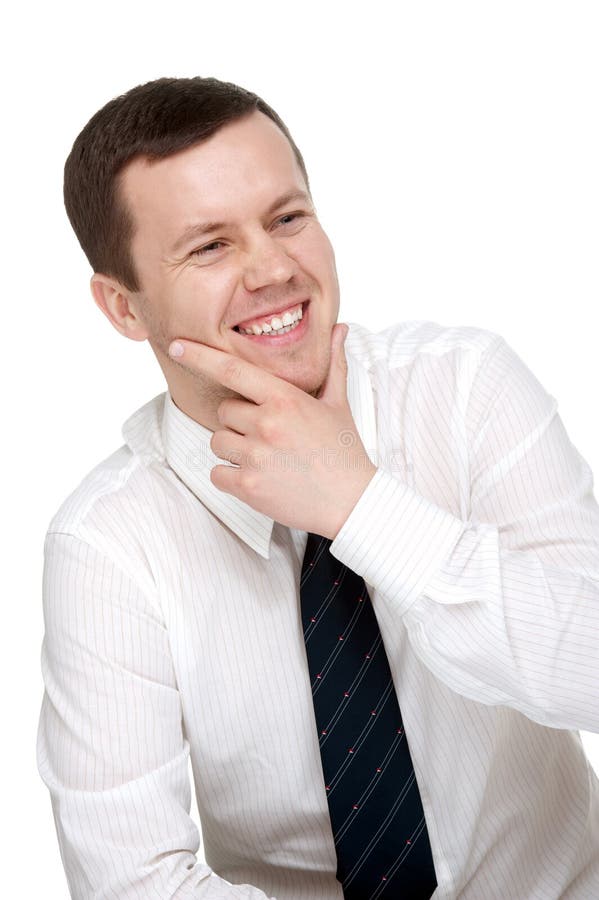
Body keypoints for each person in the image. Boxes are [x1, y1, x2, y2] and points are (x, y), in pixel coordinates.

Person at [36, 76, 599, 900]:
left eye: (286, 217)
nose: (273, 269)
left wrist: (362, 506)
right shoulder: (107, 543)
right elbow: (134, 881)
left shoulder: (465, 389)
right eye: (209, 246)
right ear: (124, 308)